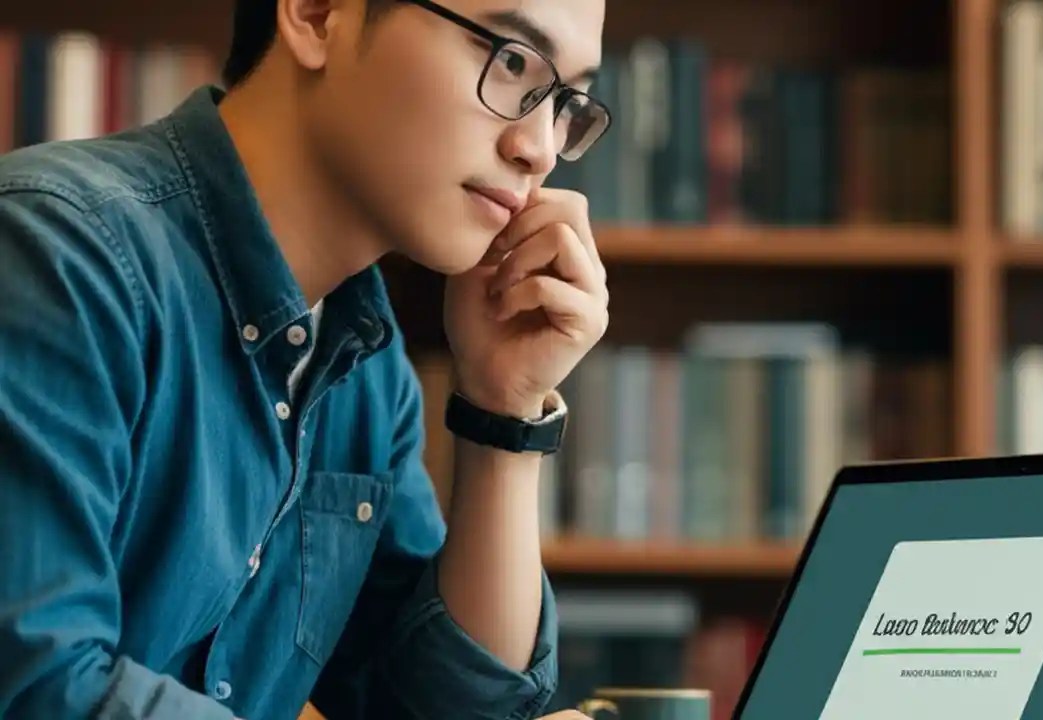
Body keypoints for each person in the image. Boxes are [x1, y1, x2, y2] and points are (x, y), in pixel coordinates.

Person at [0, 0, 611, 717]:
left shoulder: (365, 363)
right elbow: (40, 688)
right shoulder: (57, 256)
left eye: (568, 102)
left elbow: (444, 708)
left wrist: (502, 412)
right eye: (512, 61)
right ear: (318, 15)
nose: (538, 148)